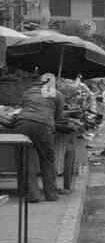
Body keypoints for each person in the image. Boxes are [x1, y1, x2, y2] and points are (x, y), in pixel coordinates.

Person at [14, 74, 68, 203]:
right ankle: (51, 195)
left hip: (23, 124)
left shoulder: (28, 92)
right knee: (47, 160)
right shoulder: (57, 94)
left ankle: (32, 196)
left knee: (26, 160)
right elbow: (60, 116)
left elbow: (23, 107)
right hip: (44, 126)